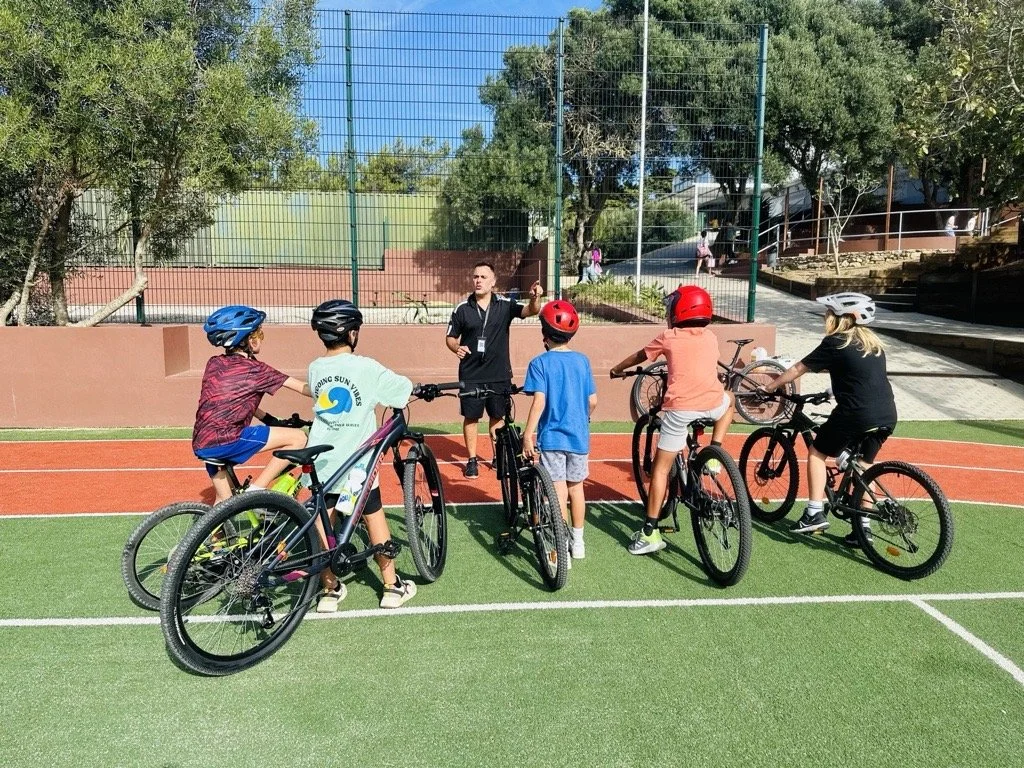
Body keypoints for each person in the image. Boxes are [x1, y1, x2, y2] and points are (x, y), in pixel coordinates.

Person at [306, 299, 417, 611]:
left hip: (323, 462)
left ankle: (329, 590)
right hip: (356, 464)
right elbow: (402, 391)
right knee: (373, 516)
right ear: (352, 334)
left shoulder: (315, 369)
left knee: (323, 524)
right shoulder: (366, 368)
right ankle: (392, 587)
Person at [761, 292, 897, 546]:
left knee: (816, 452)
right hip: (887, 413)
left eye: (828, 313)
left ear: (841, 318)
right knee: (865, 466)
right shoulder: (873, 344)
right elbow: (861, 377)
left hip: (856, 413)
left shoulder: (836, 342)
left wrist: (771, 386)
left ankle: (814, 513)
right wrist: (831, 391)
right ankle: (862, 529)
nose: (825, 317)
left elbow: (797, 369)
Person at [609, 285, 735, 555]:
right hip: (713, 406)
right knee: (729, 400)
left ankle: (650, 532)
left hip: (681, 411)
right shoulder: (711, 337)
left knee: (660, 469)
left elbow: (641, 356)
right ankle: (715, 453)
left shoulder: (669, 336)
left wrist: (618, 369)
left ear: (679, 310)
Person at [192, 305, 311, 503]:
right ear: (246, 339)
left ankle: (215, 534)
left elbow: (236, 400)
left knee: (223, 502)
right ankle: (256, 491)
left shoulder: (214, 363)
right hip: (229, 439)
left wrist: (270, 419)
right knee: (299, 438)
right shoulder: (257, 370)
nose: (260, 338)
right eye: (258, 334)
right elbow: (304, 389)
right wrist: (331, 388)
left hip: (202, 441)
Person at [445, 262, 544, 478]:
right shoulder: (462, 309)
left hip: (499, 374)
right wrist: (456, 348)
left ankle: (498, 456)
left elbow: (530, 311)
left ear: (493, 282)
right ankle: (472, 460)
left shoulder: (505, 305)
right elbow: (450, 338)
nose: (478, 280)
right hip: (470, 375)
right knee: (471, 417)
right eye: (475, 276)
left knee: (497, 417)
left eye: (483, 277)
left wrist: (535, 297)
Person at [522, 300, 597, 560]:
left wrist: (527, 433)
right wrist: (581, 419)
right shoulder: (583, 361)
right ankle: (578, 542)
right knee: (577, 488)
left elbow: (539, 401)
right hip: (579, 436)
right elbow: (592, 401)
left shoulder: (539, 363)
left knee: (557, 492)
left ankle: (559, 545)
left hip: (552, 437)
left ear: (544, 333)